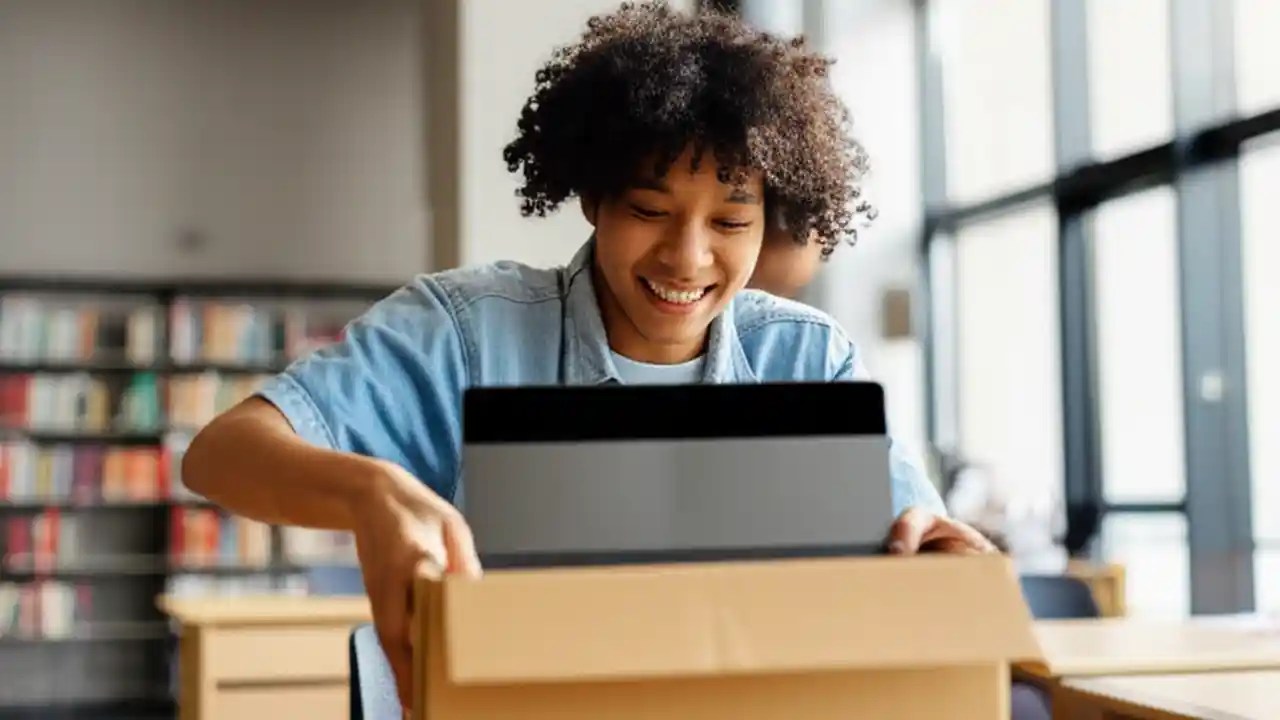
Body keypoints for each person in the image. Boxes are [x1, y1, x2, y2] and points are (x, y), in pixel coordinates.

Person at [182, 2, 995, 708]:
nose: (687, 257)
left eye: (730, 223)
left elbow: (926, 548)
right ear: (592, 196)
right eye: (650, 208)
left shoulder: (808, 358)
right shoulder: (467, 331)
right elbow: (221, 455)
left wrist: (945, 554)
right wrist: (370, 493)